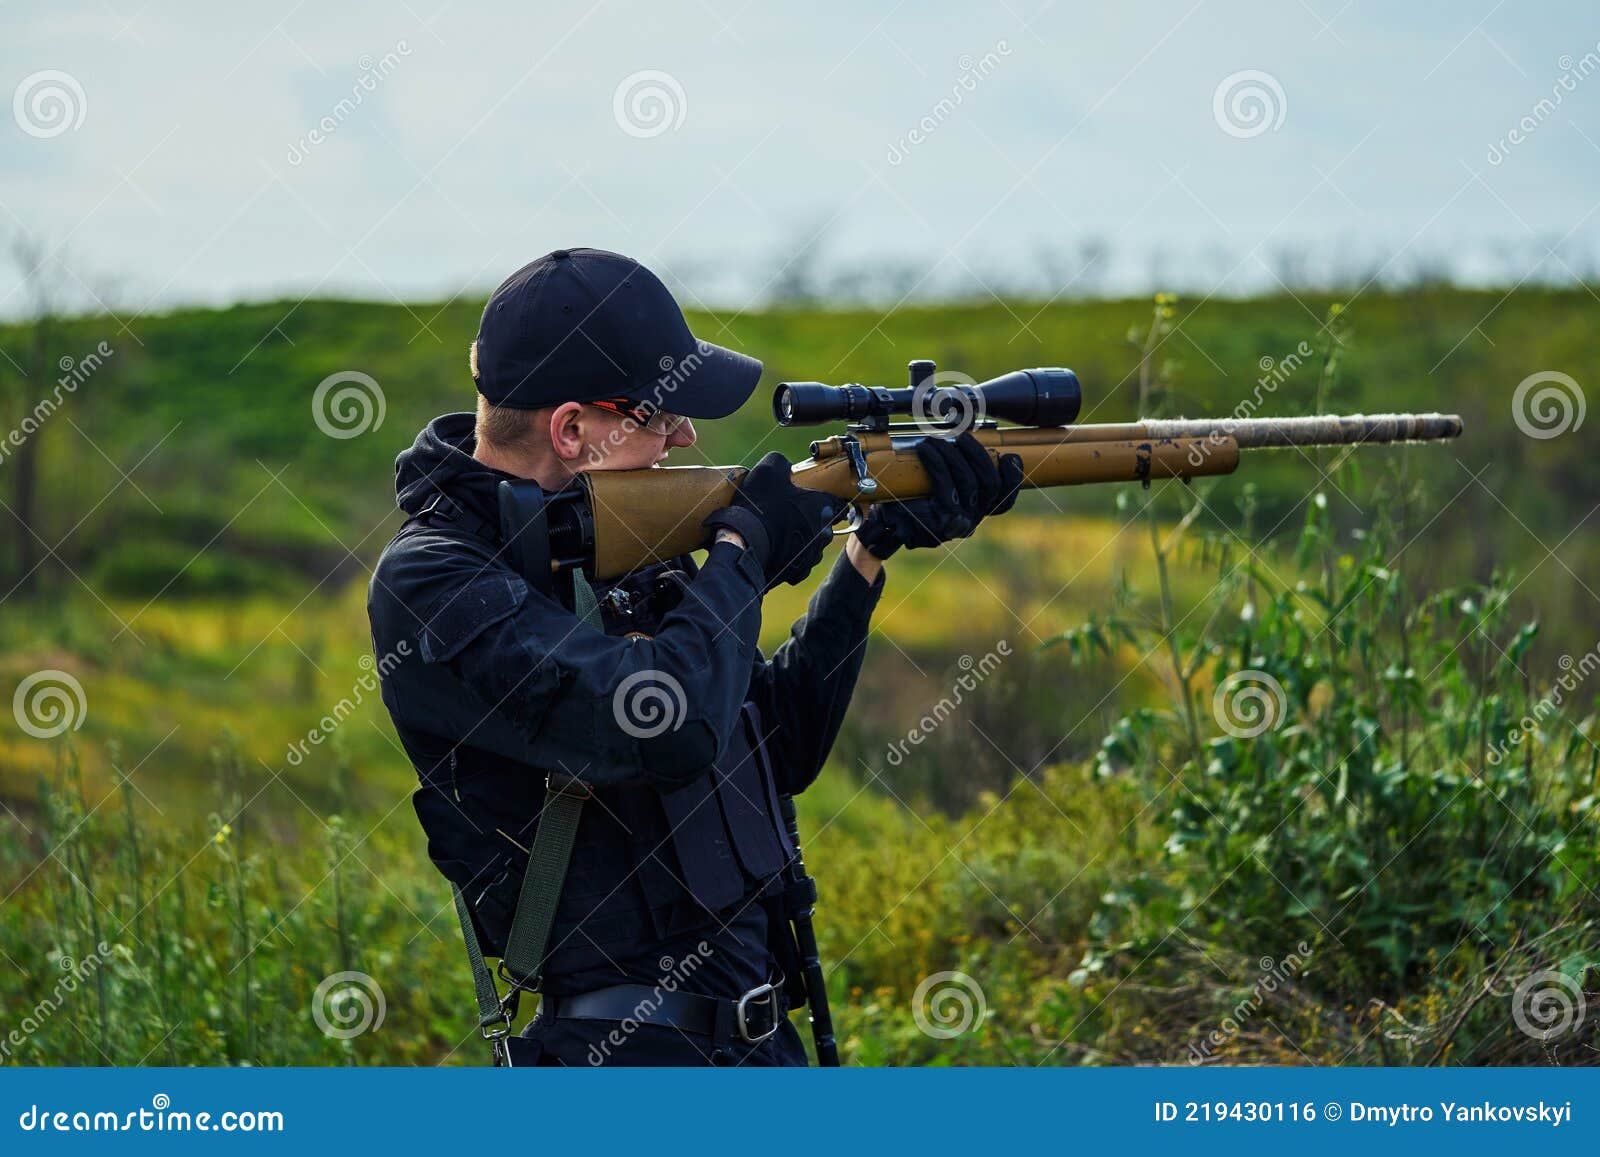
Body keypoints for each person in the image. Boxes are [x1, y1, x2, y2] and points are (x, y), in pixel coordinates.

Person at [367, 247, 1023, 1065]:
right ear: (573, 429)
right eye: (657, 414)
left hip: (760, 1037)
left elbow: (777, 745)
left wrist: (867, 551)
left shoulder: (626, 539)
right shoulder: (435, 580)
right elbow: (665, 725)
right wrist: (742, 555)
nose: (685, 435)